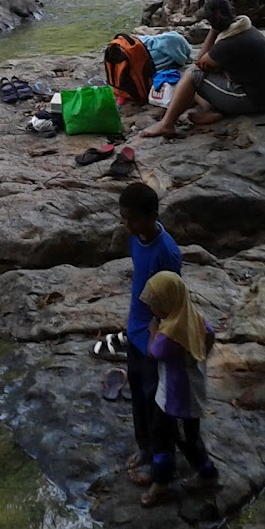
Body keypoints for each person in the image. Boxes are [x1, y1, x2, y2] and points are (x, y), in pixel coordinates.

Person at [119, 181, 182, 488]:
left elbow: (171, 304)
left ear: (152, 216)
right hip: (136, 330)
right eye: (124, 218)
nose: (126, 225)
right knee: (138, 394)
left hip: (155, 340)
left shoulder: (167, 253)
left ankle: (162, 469)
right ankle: (144, 447)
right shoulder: (135, 239)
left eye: (132, 219)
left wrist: (159, 339)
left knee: (157, 404)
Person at [141, 0, 265, 138]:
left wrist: (213, 30)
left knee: (192, 74)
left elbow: (200, 62)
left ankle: (166, 124)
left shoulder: (228, 42)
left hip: (250, 100)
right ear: (233, 11)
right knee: (199, 79)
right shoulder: (245, 28)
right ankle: (213, 110)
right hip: (263, 96)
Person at [139, 271, 218, 506]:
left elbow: (154, 353)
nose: (153, 310)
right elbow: (211, 335)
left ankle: (201, 475)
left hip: (177, 400)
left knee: (183, 439)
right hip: (183, 390)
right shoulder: (194, 317)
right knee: (170, 434)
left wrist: (153, 332)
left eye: (156, 304)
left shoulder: (170, 333)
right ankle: (165, 475)